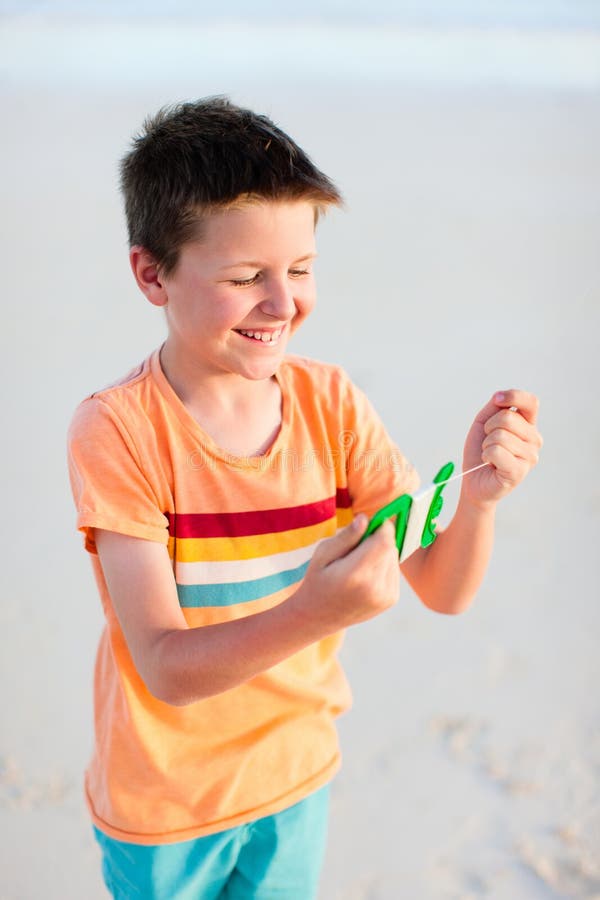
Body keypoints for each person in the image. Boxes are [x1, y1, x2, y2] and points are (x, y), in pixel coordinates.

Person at [67, 97, 542, 899]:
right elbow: (164, 666)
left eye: (301, 270)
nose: (283, 304)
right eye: (246, 277)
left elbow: (444, 587)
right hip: (167, 802)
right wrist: (315, 613)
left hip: (296, 776)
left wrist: (482, 497)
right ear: (153, 274)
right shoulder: (119, 431)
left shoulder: (332, 405)